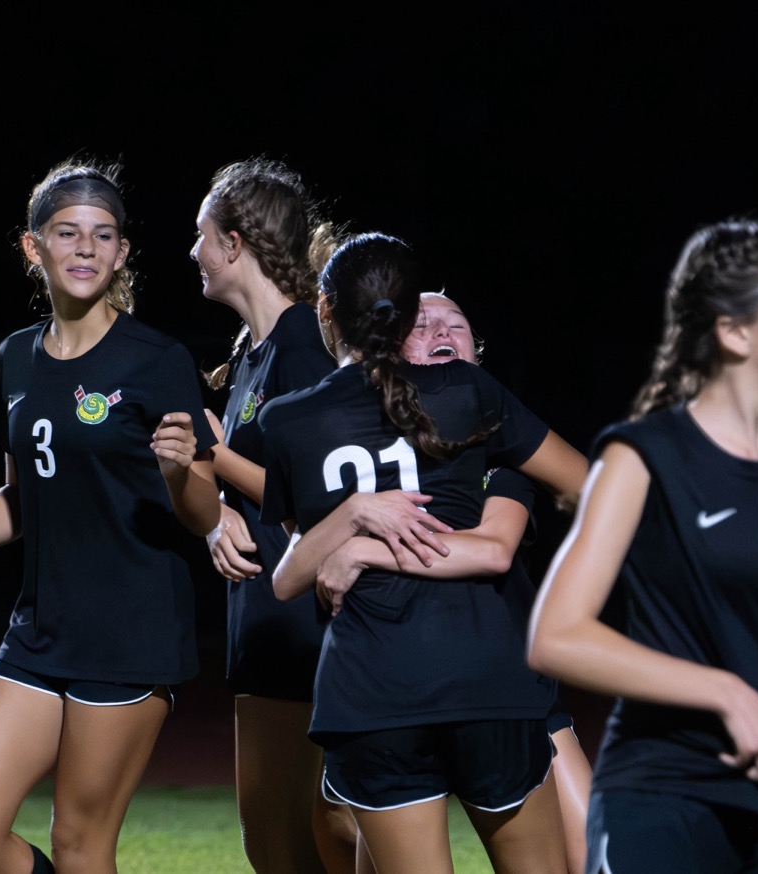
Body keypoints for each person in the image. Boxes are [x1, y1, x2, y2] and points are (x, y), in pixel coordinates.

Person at [0, 157, 220, 874]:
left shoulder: (157, 360)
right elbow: (23, 494)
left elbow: (202, 516)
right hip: (40, 627)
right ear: (32, 246)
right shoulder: (15, 358)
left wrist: (177, 472)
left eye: (103, 235)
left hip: (130, 630)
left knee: (81, 846)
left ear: (123, 252)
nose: (85, 248)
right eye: (67, 232)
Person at [527, 218, 758, 873]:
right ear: (734, 330)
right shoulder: (642, 456)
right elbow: (557, 635)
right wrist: (728, 693)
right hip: (664, 791)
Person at [258, 233, 589, 874]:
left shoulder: (288, 420)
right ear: (409, 318)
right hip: (486, 676)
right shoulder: (467, 391)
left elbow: (297, 565)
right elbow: (584, 482)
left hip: (371, 689)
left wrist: (359, 541)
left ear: (324, 308)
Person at [188, 156, 358, 873]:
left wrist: (212, 451)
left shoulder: (300, 346)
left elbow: (324, 497)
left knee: (294, 842)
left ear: (234, 244)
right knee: (298, 840)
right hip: (265, 618)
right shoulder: (255, 353)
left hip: (299, 626)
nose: (191, 251)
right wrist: (216, 514)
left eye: (199, 234)